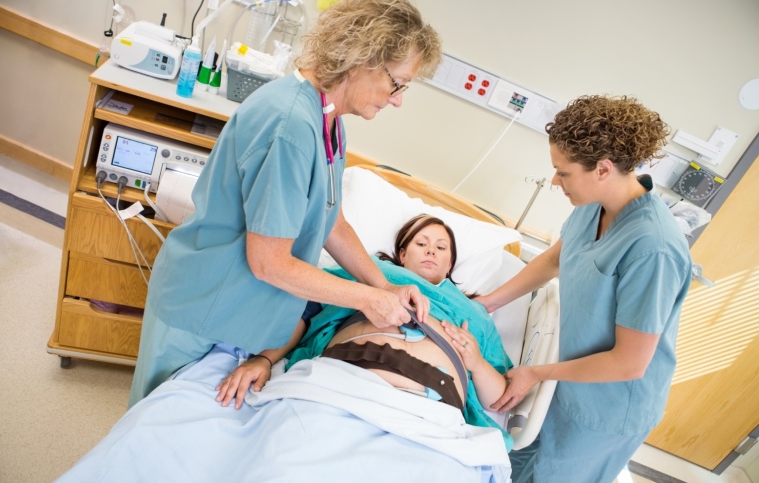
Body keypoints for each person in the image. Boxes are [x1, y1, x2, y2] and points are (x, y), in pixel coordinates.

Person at [128, 0, 442, 408]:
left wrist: (384, 285)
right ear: (364, 59)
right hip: (203, 305)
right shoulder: (289, 126)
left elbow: (332, 222)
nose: (398, 99)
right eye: (398, 83)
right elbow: (268, 261)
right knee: (154, 427)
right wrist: (368, 300)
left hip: (246, 313)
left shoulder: (328, 120)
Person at [463, 95, 692, 482]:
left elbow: (629, 363)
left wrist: (535, 373)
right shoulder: (594, 203)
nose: (554, 181)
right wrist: (487, 302)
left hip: (608, 408)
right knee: (513, 468)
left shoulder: (654, 248)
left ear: (602, 169)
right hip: (568, 381)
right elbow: (556, 259)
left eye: (562, 172)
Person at [215, 214, 516, 450]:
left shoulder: (474, 313)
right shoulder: (369, 272)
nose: (431, 251)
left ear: (450, 263)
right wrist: (265, 360)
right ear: (402, 254)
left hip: (429, 413)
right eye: (421, 243)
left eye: (441, 247)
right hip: (339, 379)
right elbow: (303, 313)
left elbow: (497, 400)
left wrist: (476, 361)